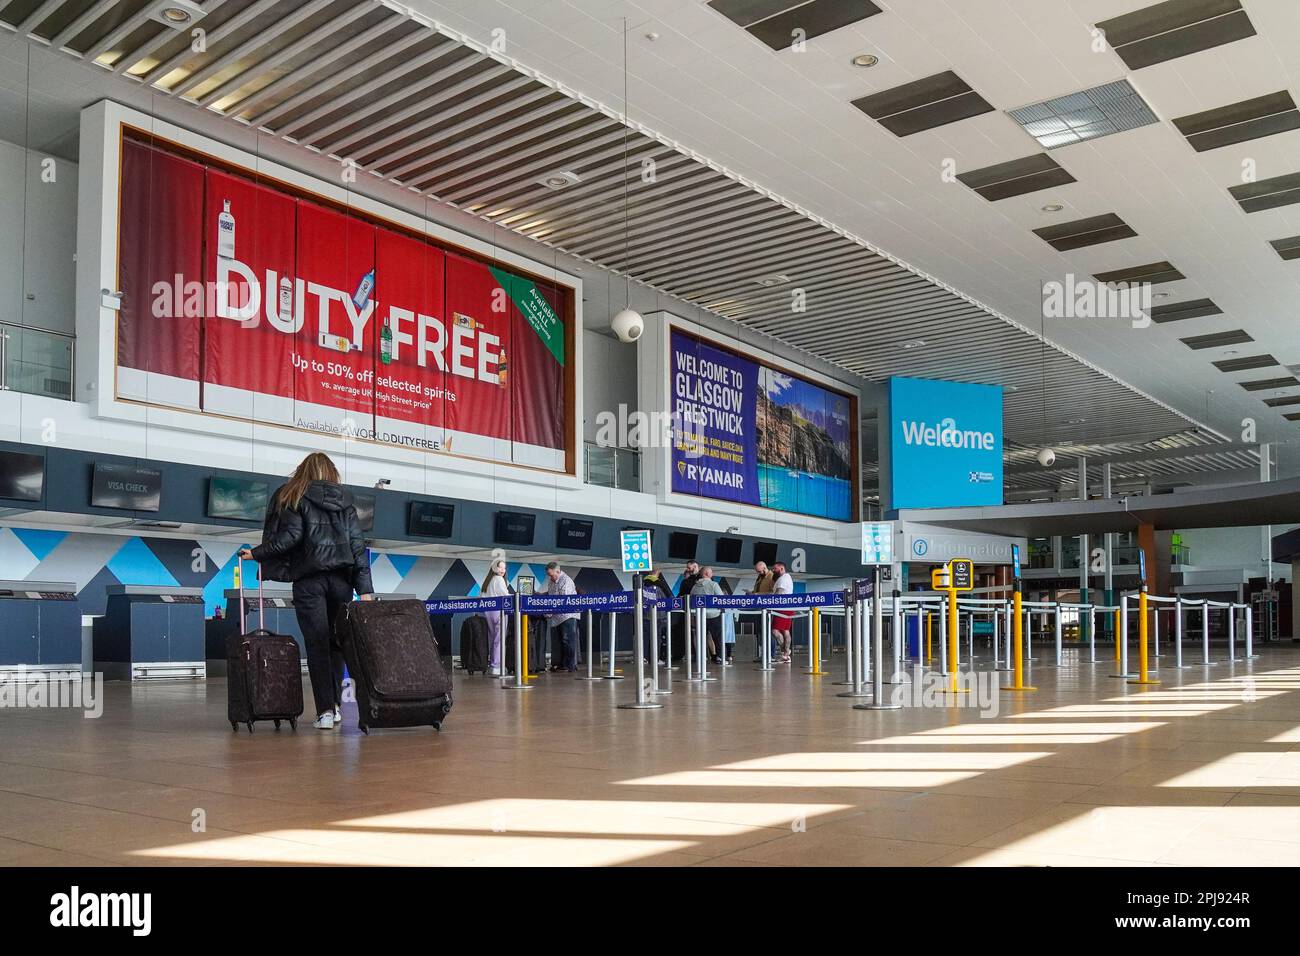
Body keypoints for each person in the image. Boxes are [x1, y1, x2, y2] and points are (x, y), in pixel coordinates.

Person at [239, 452, 373, 730]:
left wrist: (256, 554)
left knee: (317, 645)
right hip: (342, 582)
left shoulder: (295, 495)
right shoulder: (346, 502)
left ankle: (325, 711)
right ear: (331, 473)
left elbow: (289, 538)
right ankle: (336, 707)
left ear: (304, 470)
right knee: (337, 644)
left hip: (309, 581)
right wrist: (366, 590)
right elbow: (358, 547)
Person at [544, 562, 579, 672]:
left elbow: (563, 600)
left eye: (552, 575)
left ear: (558, 572)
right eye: (549, 575)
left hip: (568, 615)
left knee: (568, 640)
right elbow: (551, 597)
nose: (550, 577)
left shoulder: (566, 581)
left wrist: (549, 611)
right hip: (557, 616)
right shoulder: (551, 582)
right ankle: (562, 664)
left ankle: (571, 665)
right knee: (560, 641)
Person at [480, 559, 509, 677]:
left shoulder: (487, 581)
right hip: (499, 612)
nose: (502, 570)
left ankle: (493, 664)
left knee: (493, 639)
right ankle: (497, 666)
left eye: (504, 568)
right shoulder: (499, 579)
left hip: (488, 612)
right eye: (500, 567)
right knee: (499, 639)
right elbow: (505, 596)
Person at [690, 566, 724, 664]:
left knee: (700, 637)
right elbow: (721, 599)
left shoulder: (695, 586)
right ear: (707, 573)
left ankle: (701, 656)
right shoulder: (714, 584)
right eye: (711, 572)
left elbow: (692, 598)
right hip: (714, 615)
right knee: (717, 637)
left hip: (699, 615)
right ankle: (720, 657)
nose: (712, 574)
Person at [642, 571, 674, 663]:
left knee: (644, 638)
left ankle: (644, 658)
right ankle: (655, 659)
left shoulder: (641, 583)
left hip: (644, 615)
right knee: (656, 638)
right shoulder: (660, 584)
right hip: (658, 615)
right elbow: (668, 599)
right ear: (658, 572)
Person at [771, 560, 795, 664]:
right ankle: (786, 654)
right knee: (785, 630)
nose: (773, 570)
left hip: (782, 608)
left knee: (775, 631)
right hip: (788, 607)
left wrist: (768, 599)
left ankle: (784, 653)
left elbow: (778, 593)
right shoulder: (787, 577)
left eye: (775, 568)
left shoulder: (783, 578)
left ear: (781, 568)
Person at [750, 560, 775, 661]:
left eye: (759, 571)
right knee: (761, 631)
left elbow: (772, 593)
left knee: (768, 632)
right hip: (759, 607)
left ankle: (771, 655)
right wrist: (751, 593)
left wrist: (756, 595)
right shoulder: (760, 578)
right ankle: (764, 654)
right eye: (757, 572)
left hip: (768, 608)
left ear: (764, 568)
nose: (758, 573)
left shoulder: (772, 577)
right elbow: (758, 591)